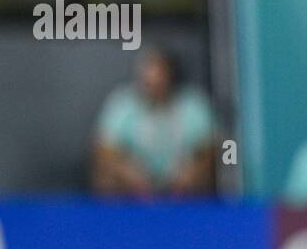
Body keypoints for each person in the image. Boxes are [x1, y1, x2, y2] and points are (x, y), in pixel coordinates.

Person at [92, 48, 216, 197]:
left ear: (171, 77)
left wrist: (189, 173)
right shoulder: (123, 104)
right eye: (148, 81)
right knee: (105, 175)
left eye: (159, 79)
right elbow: (104, 149)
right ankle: (114, 219)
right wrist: (129, 173)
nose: (153, 84)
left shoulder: (193, 105)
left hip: (182, 189)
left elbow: (208, 149)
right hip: (134, 189)